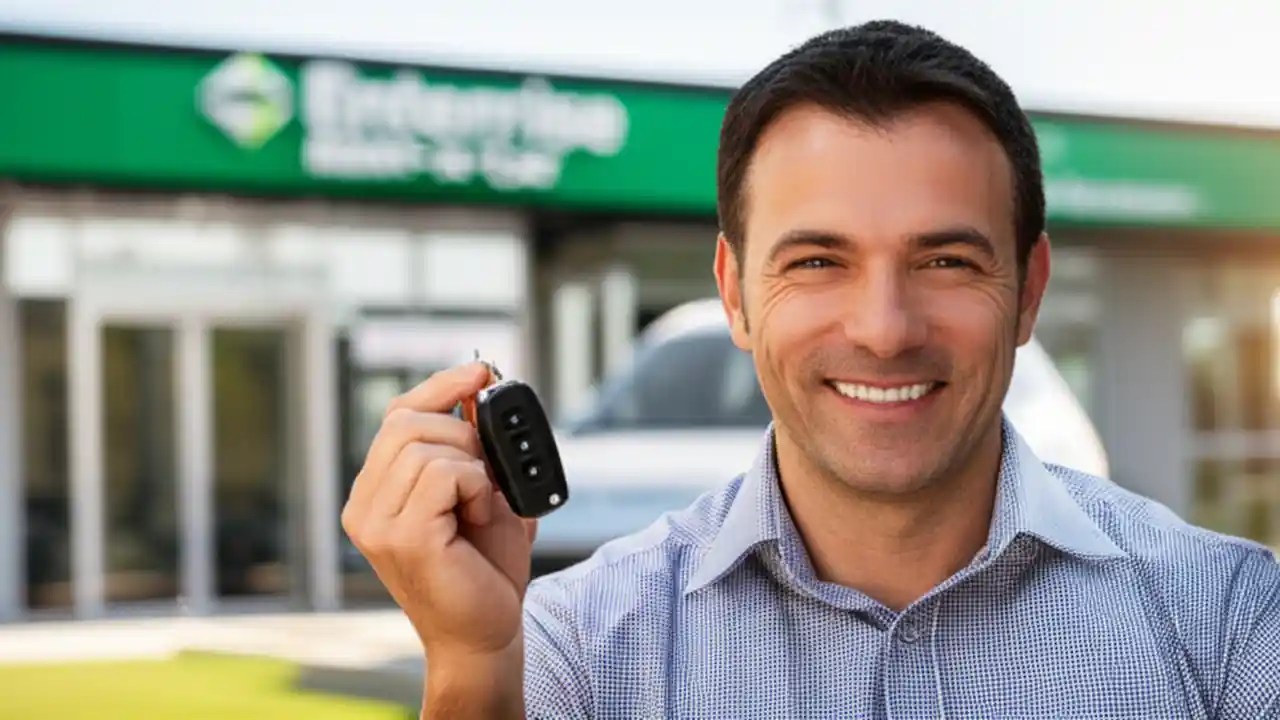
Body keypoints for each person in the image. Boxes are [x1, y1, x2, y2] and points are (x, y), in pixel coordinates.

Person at [341, 20, 1280, 719]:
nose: (882, 329)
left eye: (945, 261)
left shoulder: (1231, 622)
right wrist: (469, 665)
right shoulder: (571, 648)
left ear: (1029, 289)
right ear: (736, 294)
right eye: (817, 262)